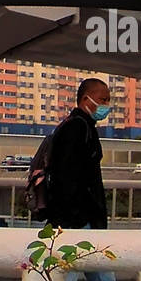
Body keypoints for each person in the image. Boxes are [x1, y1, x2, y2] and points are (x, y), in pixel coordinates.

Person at [32, 77, 110, 232]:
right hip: (77, 219)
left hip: (74, 217)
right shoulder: (77, 127)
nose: (106, 106)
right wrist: (78, 216)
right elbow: (66, 174)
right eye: (102, 100)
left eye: (108, 101)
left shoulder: (79, 124)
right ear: (85, 99)